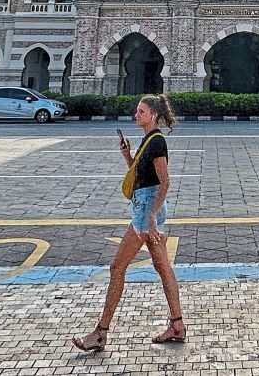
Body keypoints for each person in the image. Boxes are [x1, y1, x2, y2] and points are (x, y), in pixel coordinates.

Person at [73, 94, 185, 351]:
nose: (137, 115)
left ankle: (100, 332)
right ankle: (177, 325)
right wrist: (127, 156)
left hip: (146, 213)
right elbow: (142, 175)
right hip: (146, 209)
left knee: (117, 267)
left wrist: (153, 217)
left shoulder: (156, 142)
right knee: (163, 266)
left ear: (153, 115)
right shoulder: (149, 140)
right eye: (137, 111)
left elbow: (164, 181)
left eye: (141, 112)